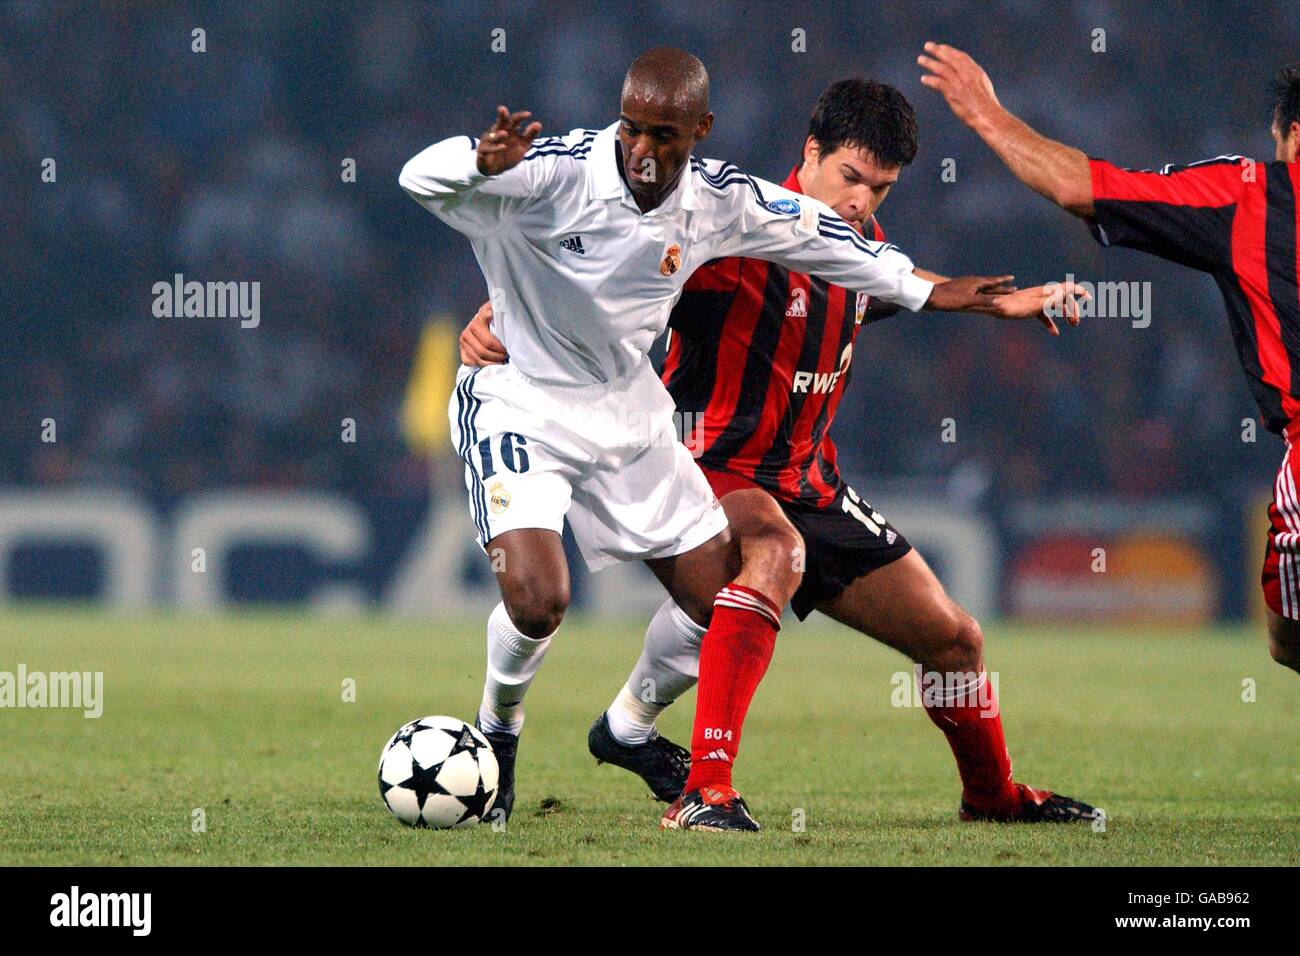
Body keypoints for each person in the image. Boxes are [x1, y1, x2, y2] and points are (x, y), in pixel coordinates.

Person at [402, 47, 1084, 831]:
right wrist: (495, 318)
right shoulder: (726, 240)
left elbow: (894, 279)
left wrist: (991, 301)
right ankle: (702, 787)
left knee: (955, 639)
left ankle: (991, 797)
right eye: (851, 179)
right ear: (810, 155)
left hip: (810, 481)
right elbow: (604, 280)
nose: (862, 200)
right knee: (757, 557)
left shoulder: (850, 256)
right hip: (715, 462)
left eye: (881, 188)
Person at [918, 42, 1300, 676]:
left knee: (1288, 638)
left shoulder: (1255, 193)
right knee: (1287, 637)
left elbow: (1078, 185)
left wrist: (986, 113)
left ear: (1292, 133)